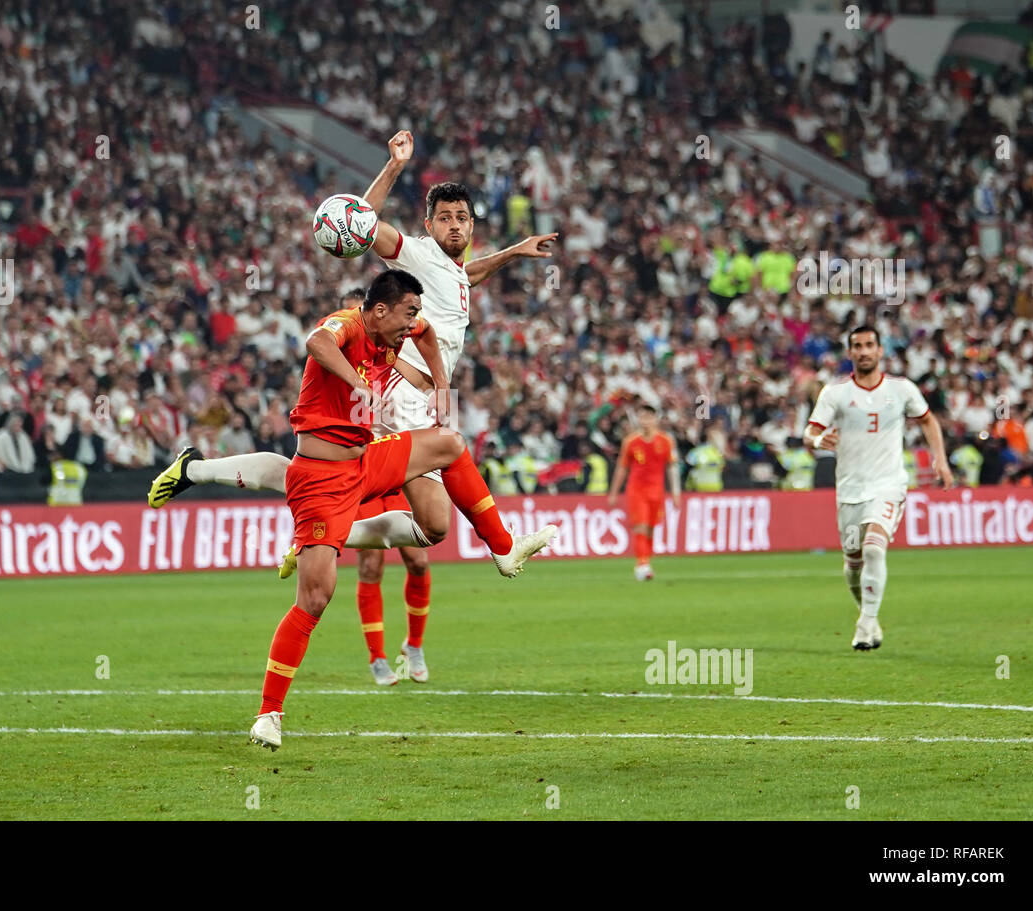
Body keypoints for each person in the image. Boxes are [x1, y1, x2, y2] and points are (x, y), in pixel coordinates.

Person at [149, 132, 557, 686]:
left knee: (429, 526)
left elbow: (469, 276)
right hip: (397, 398)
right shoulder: (412, 253)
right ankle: (499, 550)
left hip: (412, 391)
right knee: (417, 473)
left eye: (464, 217)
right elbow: (362, 225)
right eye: (446, 218)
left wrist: (513, 253)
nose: (456, 226)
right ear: (429, 223)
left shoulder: (454, 273)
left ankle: (283, 514)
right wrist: (393, 167)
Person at [153, 270, 557, 750]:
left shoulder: (401, 330)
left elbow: (425, 334)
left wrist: (442, 383)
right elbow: (315, 343)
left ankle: (504, 550)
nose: (414, 324)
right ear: (379, 310)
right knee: (317, 597)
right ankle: (268, 713)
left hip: (365, 461)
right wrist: (358, 384)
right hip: (321, 481)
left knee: (442, 489)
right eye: (407, 313)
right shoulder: (346, 324)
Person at [805, 326, 952, 651]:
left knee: (874, 547)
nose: (864, 351)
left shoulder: (901, 390)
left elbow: (928, 420)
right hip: (850, 490)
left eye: (870, 345)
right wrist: (818, 440)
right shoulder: (836, 393)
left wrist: (939, 460)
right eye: (857, 346)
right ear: (850, 353)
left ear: (880, 350)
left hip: (888, 484)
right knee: (854, 563)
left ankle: (866, 624)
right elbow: (809, 432)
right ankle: (868, 613)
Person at [607, 404, 681, 581]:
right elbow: (622, 468)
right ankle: (642, 565)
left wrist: (676, 492)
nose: (645, 421)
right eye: (642, 417)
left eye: (649, 417)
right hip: (636, 490)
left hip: (657, 491)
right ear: (638, 420)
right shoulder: (631, 442)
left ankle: (645, 561)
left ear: (655, 419)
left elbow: (671, 467)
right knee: (640, 526)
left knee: (650, 528)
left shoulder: (665, 441)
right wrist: (614, 492)